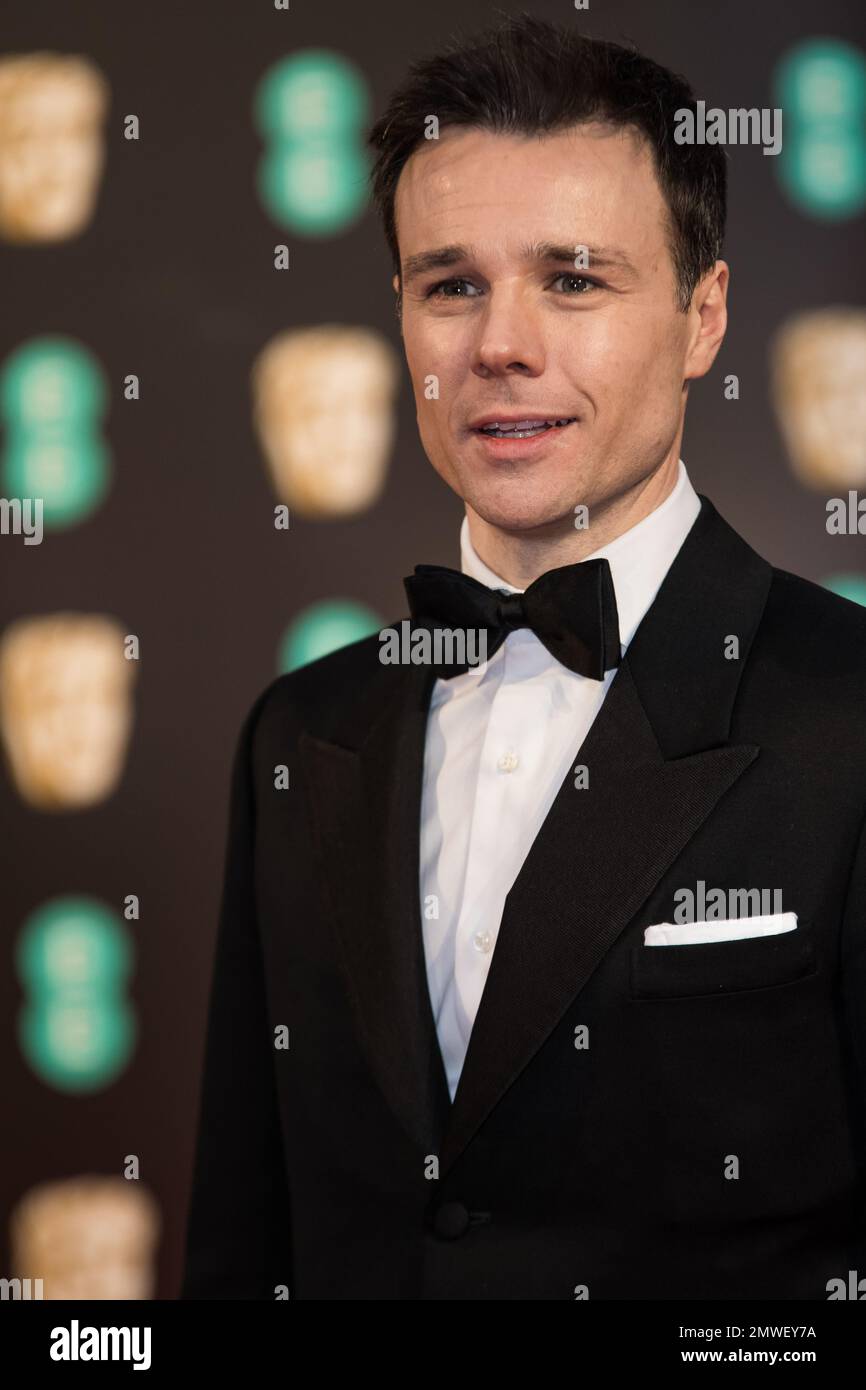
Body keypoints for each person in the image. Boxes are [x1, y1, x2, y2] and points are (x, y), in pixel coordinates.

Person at [180, 14, 866, 1300]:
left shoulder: (848, 715)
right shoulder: (297, 732)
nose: (499, 344)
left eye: (572, 278)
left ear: (702, 316)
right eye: (450, 285)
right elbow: (243, 1239)